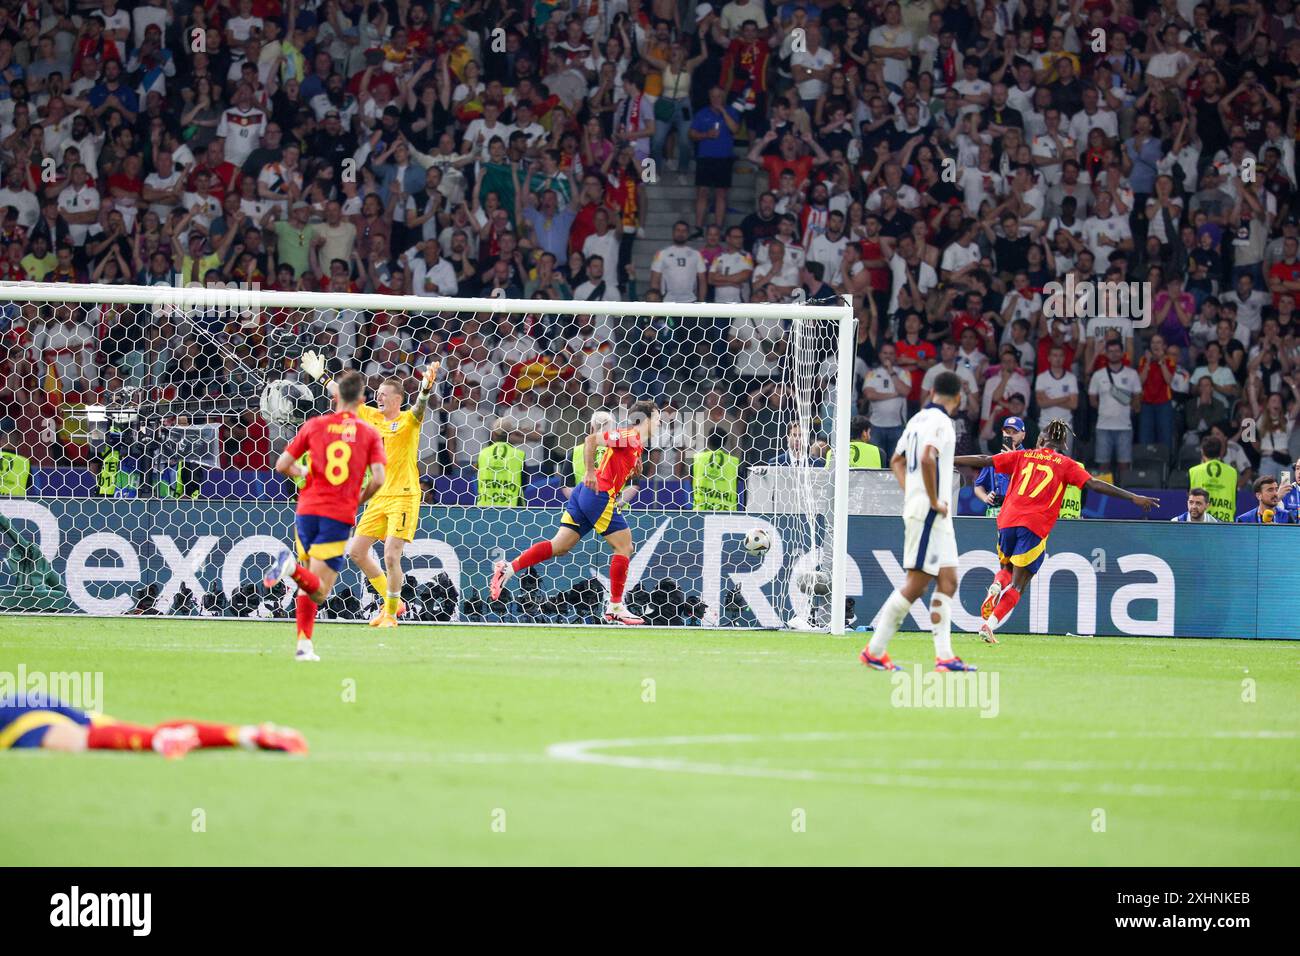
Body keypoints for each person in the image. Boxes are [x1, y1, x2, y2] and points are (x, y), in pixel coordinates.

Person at [955, 420, 1159, 644]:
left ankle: (995, 586)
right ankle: (989, 625)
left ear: (1041, 440)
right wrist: (1132, 497)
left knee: (1006, 566)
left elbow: (985, 460)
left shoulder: (1023, 456)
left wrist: (949, 459)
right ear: (1063, 445)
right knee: (1019, 583)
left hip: (1006, 519)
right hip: (1034, 524)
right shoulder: (1067, 464)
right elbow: (1093, 485)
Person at [300, 351, 440, 628]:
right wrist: (321, 376)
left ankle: (389, 614)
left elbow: (420, 408)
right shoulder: (371, 416)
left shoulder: (409, 422)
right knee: (357, 552)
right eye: (378, 392)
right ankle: (394, 603)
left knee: (391, 555)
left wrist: (424, 389)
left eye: (385, 394)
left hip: (403, 495)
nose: (380, 397)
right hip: (378, 497)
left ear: (398, 399)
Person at [490, 399, 660, 625]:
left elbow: (614, 458)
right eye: (658, 417)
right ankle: (616, 607)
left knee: (559, 546)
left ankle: (508, 569)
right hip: (597, 493)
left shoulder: (635, 442)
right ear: (645, 419)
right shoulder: (630, 436)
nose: (660, 422)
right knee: (624, 546)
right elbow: (591, 440)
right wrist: (590, 472)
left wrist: (632, 465)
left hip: (585, 494)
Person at [264, 370, 388, 661]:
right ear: (361, 398)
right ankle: (290, 568)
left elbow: (282, 465)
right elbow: (379, 478)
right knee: (319, 591)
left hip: (306, 511)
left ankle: (304, 646)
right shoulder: (368, 433)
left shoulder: (314, 426)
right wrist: (359, 499)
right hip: (337, 515)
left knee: (309, 582)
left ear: (335, 397)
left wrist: (303, 473)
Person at [860, 372, 975, 673]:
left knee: (948, 580)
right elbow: (927, 458)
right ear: (958, 397)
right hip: (930, 511)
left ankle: (945, 657)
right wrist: (932, 498)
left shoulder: (916, 420)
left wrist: (912, 490)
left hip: (931, 510)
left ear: (932, 391)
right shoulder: (941, 423)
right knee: (917, 583)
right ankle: (874, 650)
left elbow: (896, 460)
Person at [1, 696, 305, 757]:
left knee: (80, 741)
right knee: (137, 732)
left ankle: (162, 743)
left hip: (10, 716)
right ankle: (247, 735)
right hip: (24, 701)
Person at [972, 415, 1026, 518]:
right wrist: (986, 497)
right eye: (1007, 432)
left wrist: (1014, 460)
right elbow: (978, 485)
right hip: (995, 513)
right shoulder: (995, 459)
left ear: (1023, 435)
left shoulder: (1029, 459)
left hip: (1019, 514)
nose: (1011, 436)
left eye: (1015, 432)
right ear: (1002, 433)